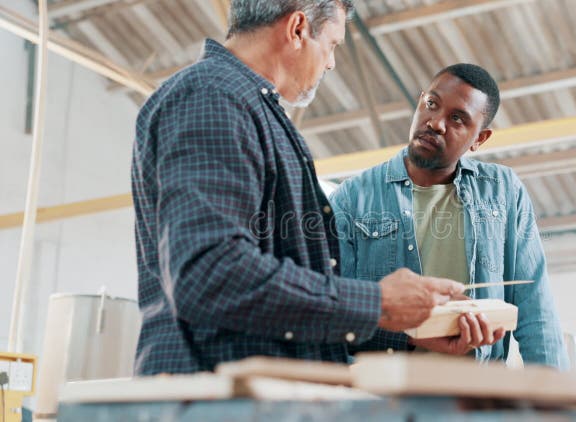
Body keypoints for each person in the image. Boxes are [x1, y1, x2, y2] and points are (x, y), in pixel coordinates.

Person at [130, 0, 466, 375]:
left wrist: (405, 329)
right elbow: (210, 275)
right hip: (217, 395)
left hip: (256, 390)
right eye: (332, 44)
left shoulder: (251, 109)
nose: (331, 63)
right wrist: (378, 303)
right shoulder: (212, 97)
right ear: (297, 29)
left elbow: (282, 312)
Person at [330, 64, 569, 369]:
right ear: (420, 101)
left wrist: (553, 391)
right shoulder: (351, 198)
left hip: (476, 390)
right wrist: (406, 334)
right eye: (431, 104)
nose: (436, 123)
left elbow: (535, 305)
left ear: (479, 139)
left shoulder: (502, 191)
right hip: (386, 388)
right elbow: (333, 308)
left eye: (457, 118)